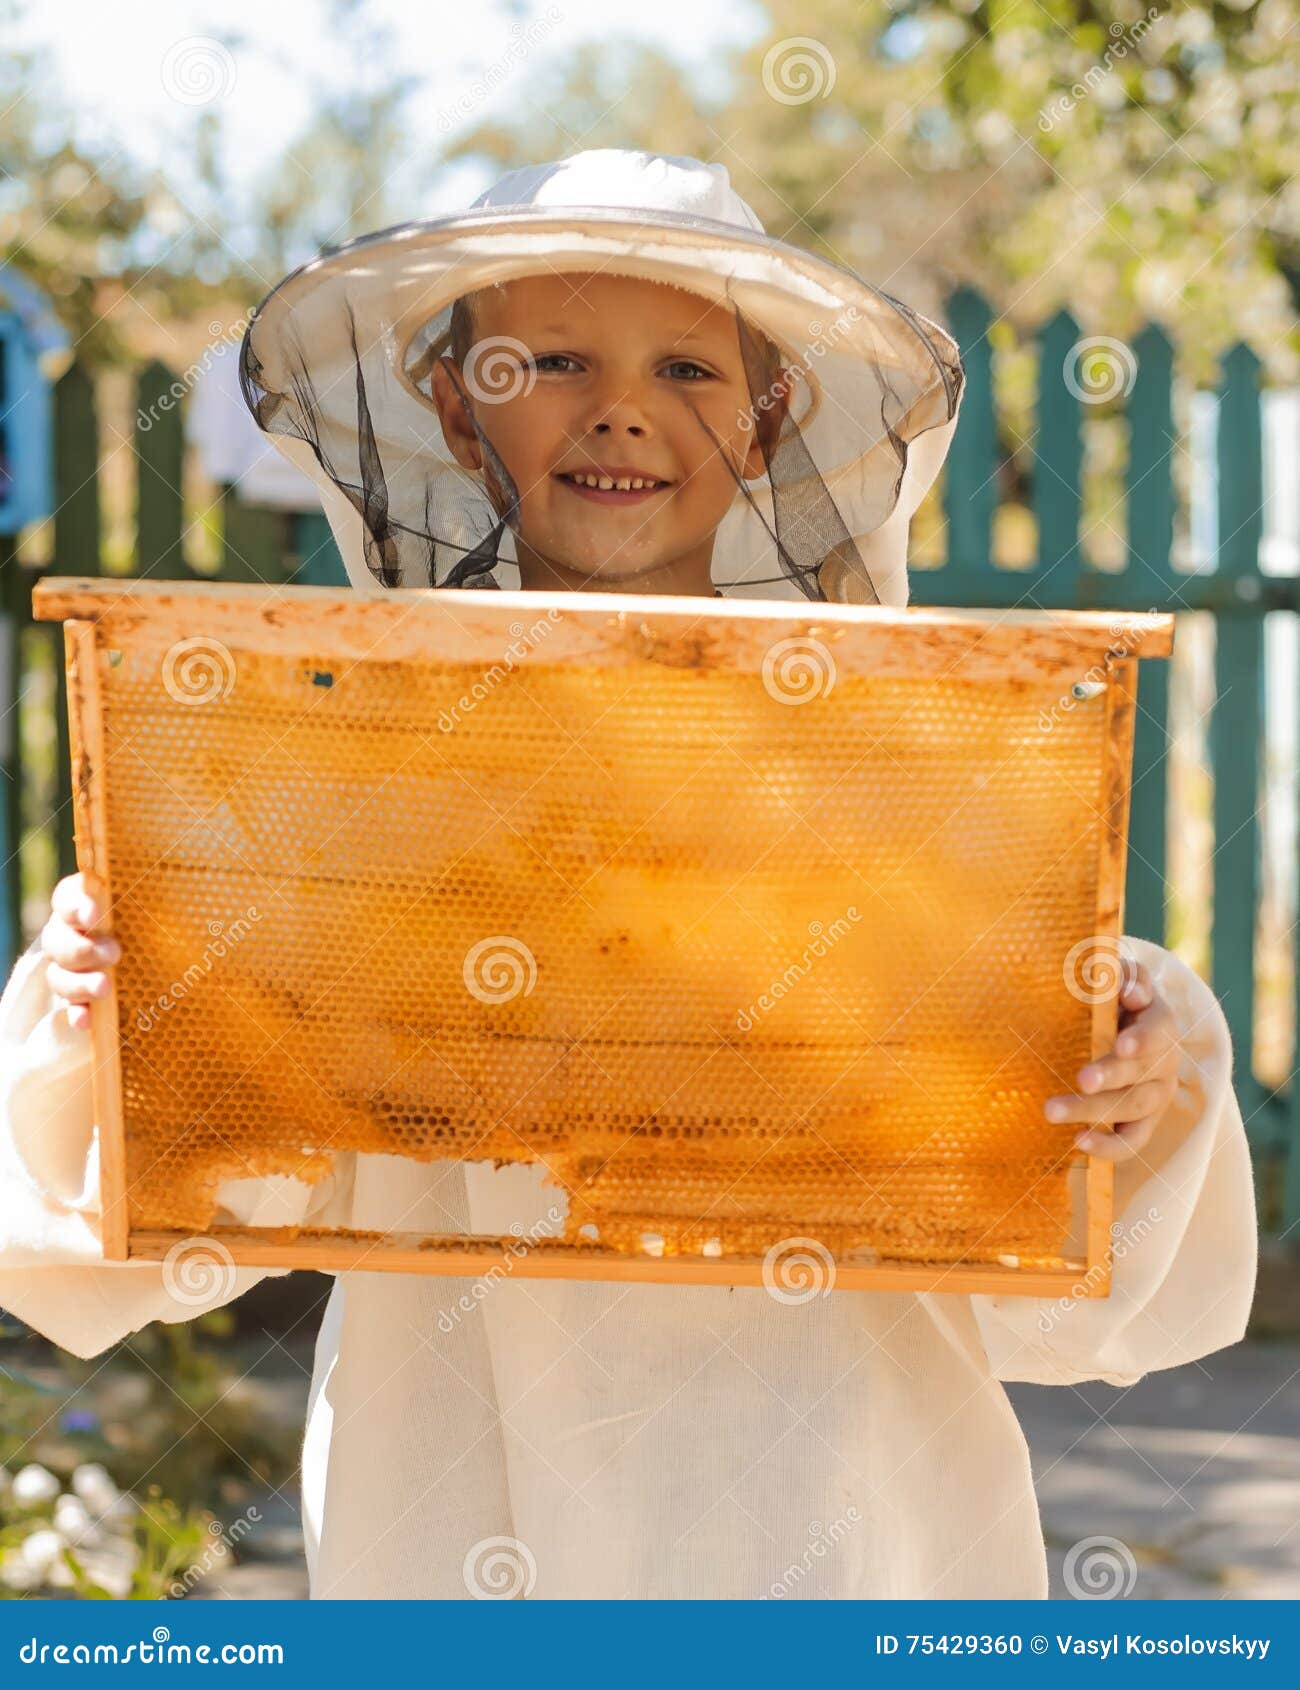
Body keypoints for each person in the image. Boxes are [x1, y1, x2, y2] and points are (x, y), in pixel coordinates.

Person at [0, 150, 1257, 1600]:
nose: (620, 406)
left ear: (769, 414)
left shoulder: (886, 757)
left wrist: (1137, 1066)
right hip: (451, 1498)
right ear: (457, 404)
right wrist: (117, 1004)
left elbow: (1072, 1279)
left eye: (688, 366)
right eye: (550, 359)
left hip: (845, 1506)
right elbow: (170, 1227)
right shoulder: (355, 773)